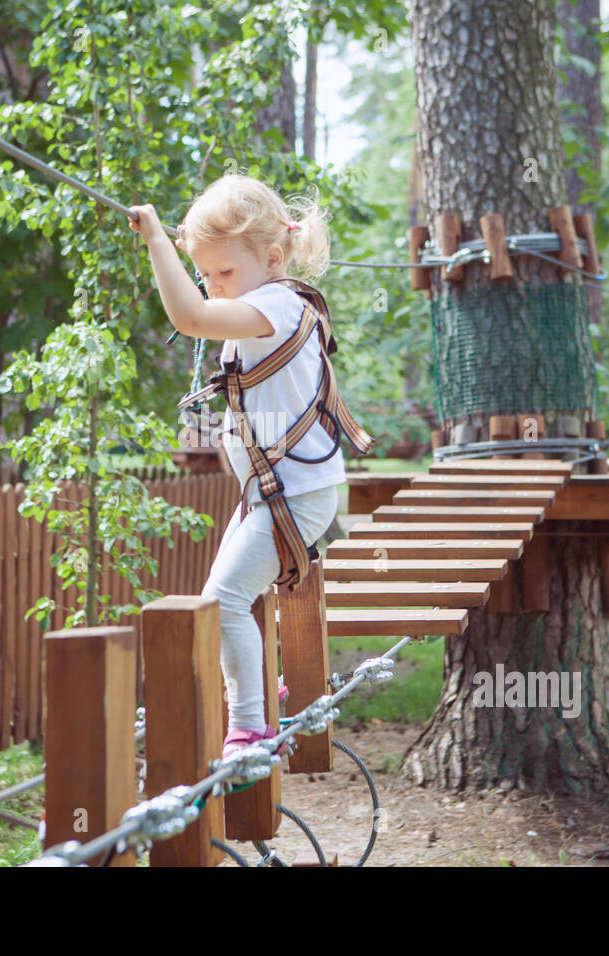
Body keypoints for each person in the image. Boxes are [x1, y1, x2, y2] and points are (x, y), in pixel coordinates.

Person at [130, 174, 371, 759]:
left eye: (223, 274)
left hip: (294, 494)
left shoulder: (275, 307)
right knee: (232, 597)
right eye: (205, 275)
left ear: (271, 257)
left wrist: (160, 240)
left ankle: (248, 730)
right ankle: (259, 692)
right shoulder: (258, 301)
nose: (212, 288)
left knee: (224, 600)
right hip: (278, 493)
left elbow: (188, 317)